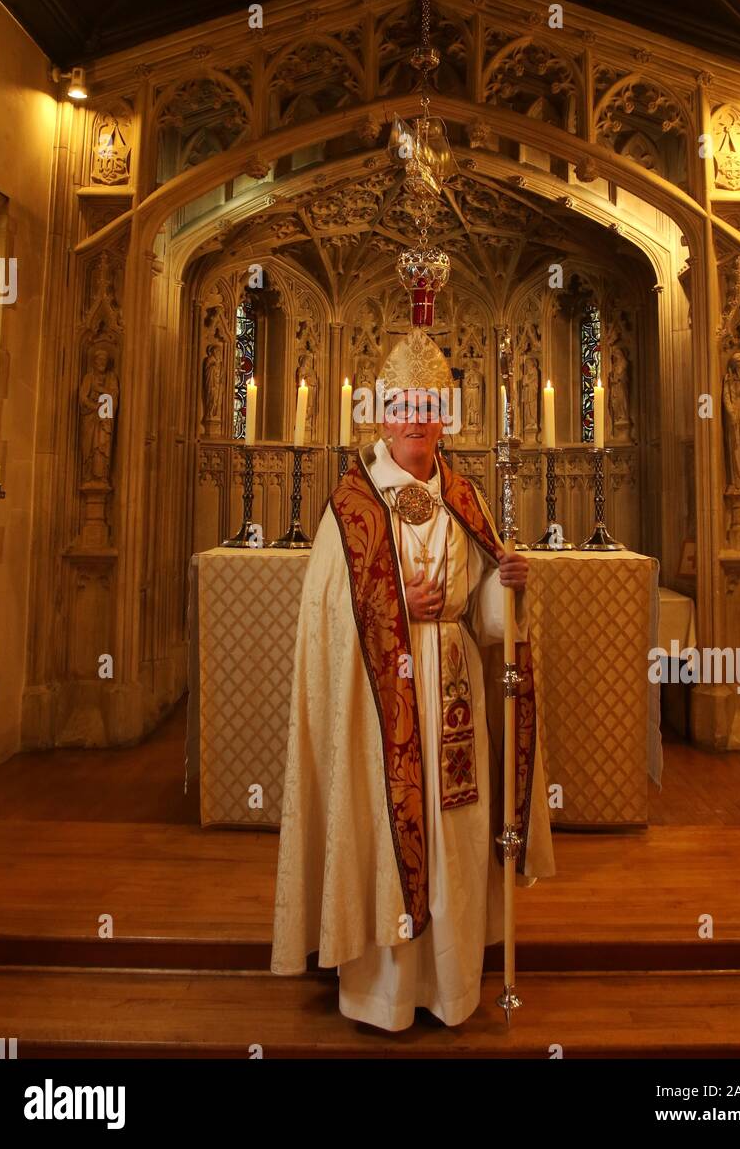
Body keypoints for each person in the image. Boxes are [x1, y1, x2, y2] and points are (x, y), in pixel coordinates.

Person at [271, 327, 555, 1030]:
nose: (418, 417)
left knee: (454, 831)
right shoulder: (353, 505)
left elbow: (492, 623)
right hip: (382, 702)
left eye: (431, 404)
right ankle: (385, 994)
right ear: (383, 414)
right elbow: (328, 614)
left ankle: (451, 984)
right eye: (404, 404)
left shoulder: (466, 496)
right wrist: (394, 607)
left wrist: (510, 586)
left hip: (454, 681)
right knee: (383, 828)